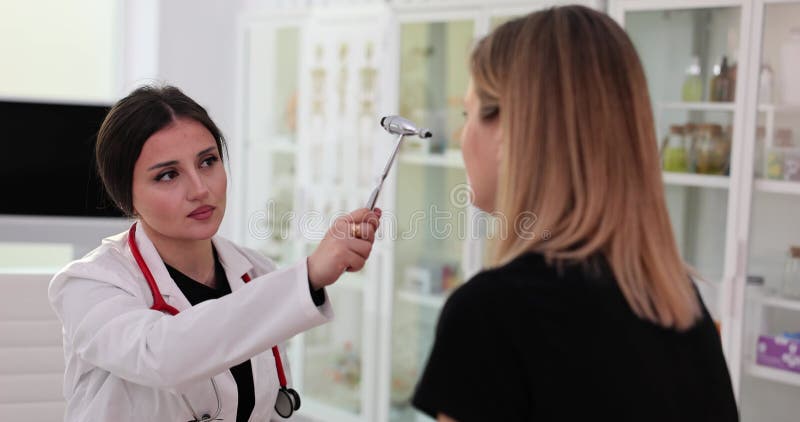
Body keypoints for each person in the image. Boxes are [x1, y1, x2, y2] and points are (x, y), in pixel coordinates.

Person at [412, 6, 738, 422]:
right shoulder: (677, 304)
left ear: (513, 130)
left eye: (469, 113)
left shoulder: (490, 316)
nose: (462, 135)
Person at [48, 85, 381, 421]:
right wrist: (308, 275)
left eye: (208, 162)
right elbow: (162, 355)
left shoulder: (256, 271)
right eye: (168, 175)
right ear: (126, 196)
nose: (200, 189)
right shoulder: (87, 285)